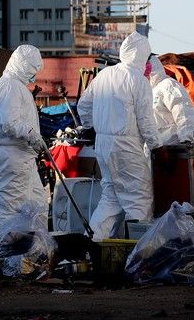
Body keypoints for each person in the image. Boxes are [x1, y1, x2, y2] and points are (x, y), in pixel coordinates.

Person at [76, 32, 161, 240]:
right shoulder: (138, 81)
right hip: (127, 146)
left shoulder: (104, 74)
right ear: (142, 55)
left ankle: (93, 243)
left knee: (111, 198)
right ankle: (137, 253)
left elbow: (83, 105)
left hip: (103, 145)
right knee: (138, 199)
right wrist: (157, 146)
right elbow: (146, 121)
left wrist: (93, 125)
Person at [0, 44, 47, 275]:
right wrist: (31, 135)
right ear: (22, 64)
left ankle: (32, 257)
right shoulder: (10, 86)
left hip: (20, 155)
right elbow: (8, 121)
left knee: (36, 203)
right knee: (9, 207)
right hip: (12, 153)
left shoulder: (15, 85)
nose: (34, 75)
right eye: (32, 69)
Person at [146, 53, 194, 145]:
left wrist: (186, 138)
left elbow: (183, 111)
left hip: (173, 145)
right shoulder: (146, 92)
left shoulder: (167, 85)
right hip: (156, 147)